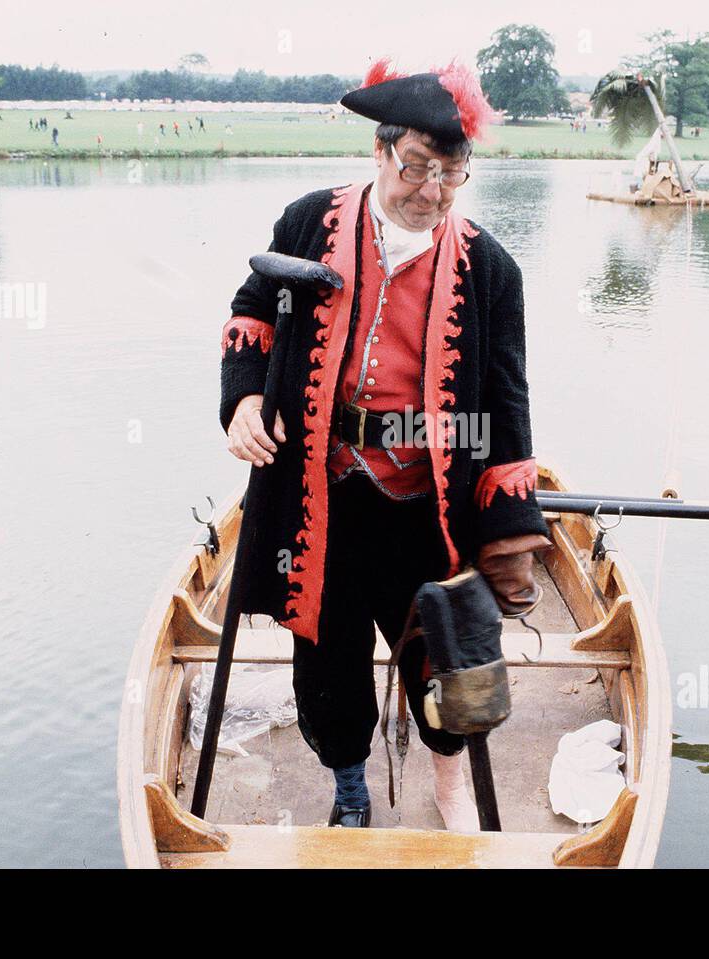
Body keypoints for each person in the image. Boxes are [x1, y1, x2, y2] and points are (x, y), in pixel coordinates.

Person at [220, 56, 550, 832]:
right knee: (327, 660)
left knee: (443, 656)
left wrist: (508, 539)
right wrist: (242, 397)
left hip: (425, 502)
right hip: (318, 492)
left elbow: (506, 404)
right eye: (417, 168)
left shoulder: (492, 268)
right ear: (380, 152)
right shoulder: (308, 221)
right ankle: (349, 789)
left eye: (452, 175)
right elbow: (253, 309)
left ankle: (450, 782)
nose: (431, 192)